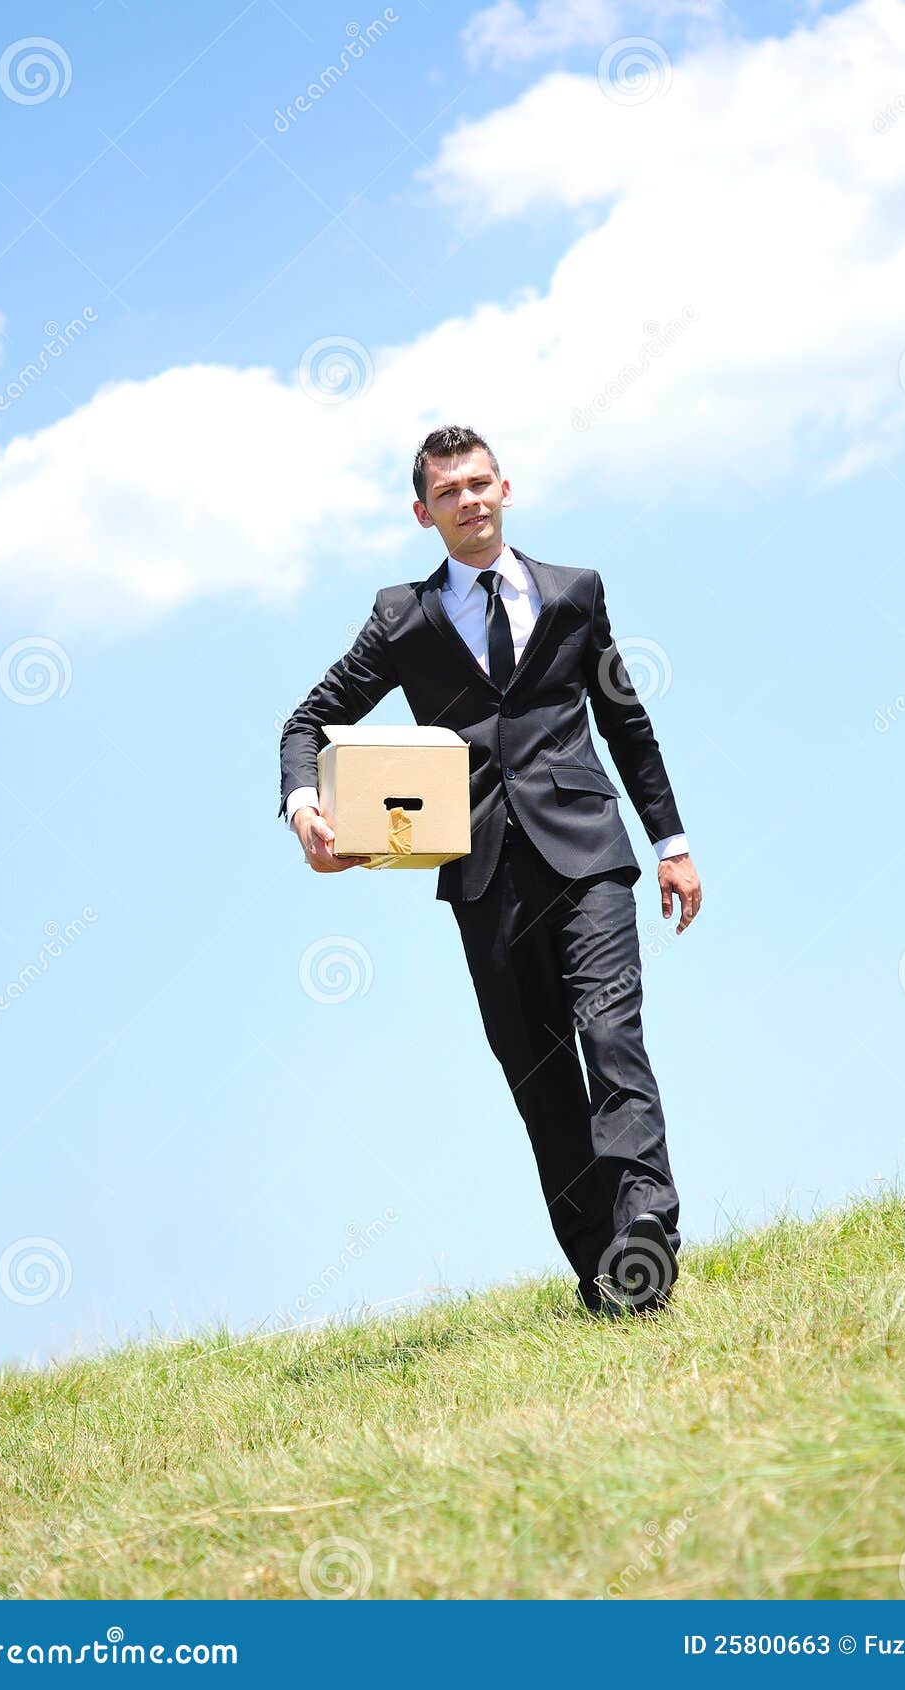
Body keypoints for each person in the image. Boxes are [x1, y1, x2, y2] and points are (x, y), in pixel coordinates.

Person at [278, 426, 702, 1315]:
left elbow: (627, 723)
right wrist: (305, 805)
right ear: (422, 511)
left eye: (480, 484)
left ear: (505, 487)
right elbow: (307, 722)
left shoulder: (575, 594)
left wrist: (671, 842)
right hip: (481, 873)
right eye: (448, 492)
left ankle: (647, 1229)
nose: (468, 501)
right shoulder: (402, 617)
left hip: (588, 850)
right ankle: (602, 1271)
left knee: (609, 1034)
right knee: (537, 1071)